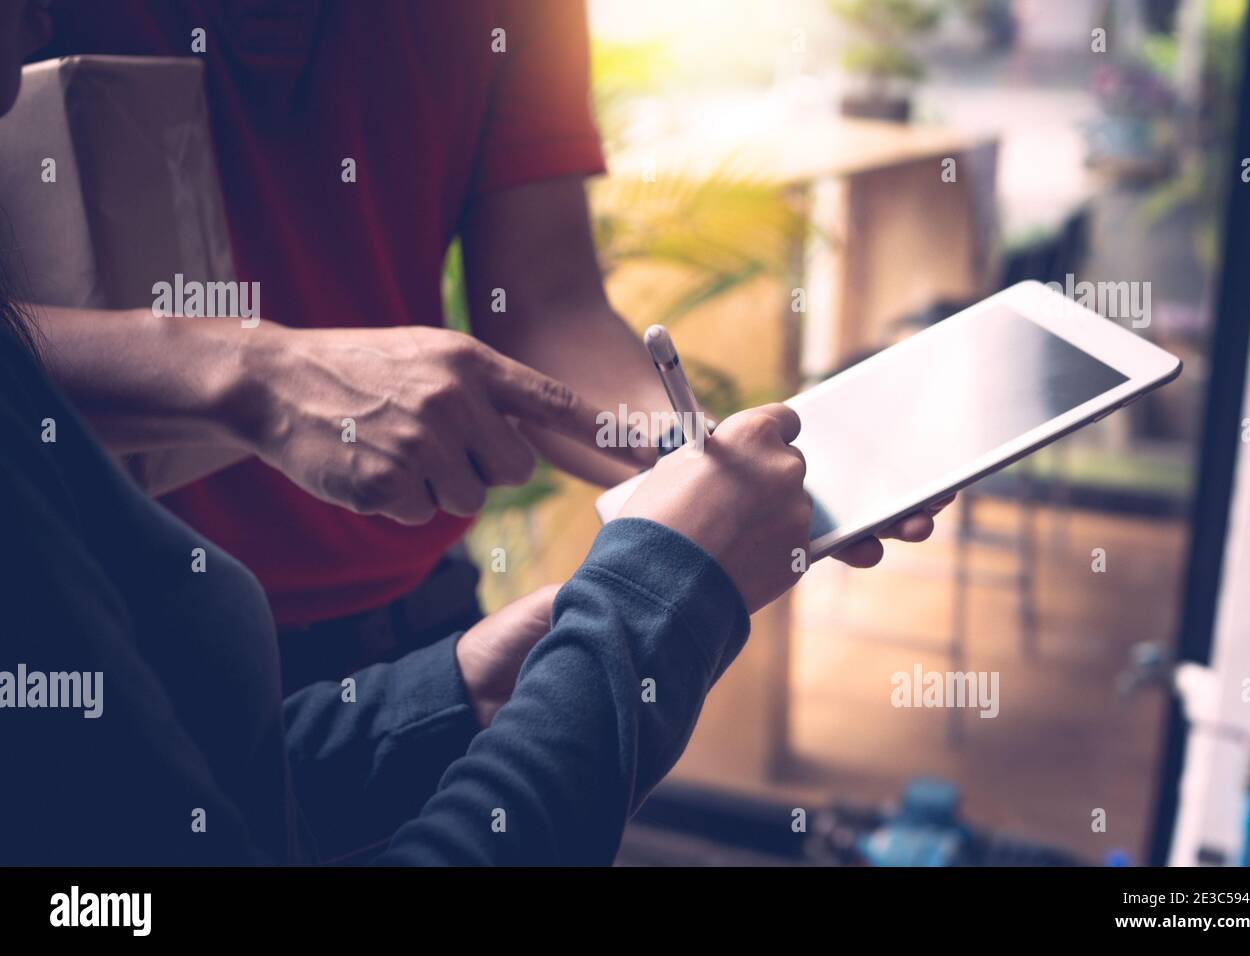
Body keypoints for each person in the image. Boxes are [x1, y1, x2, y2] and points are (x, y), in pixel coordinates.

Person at [1, 0, 947, 865]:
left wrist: (699, 464)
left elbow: (547, 299)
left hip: (418, 638)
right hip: (109, 629)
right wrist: (246, 368)